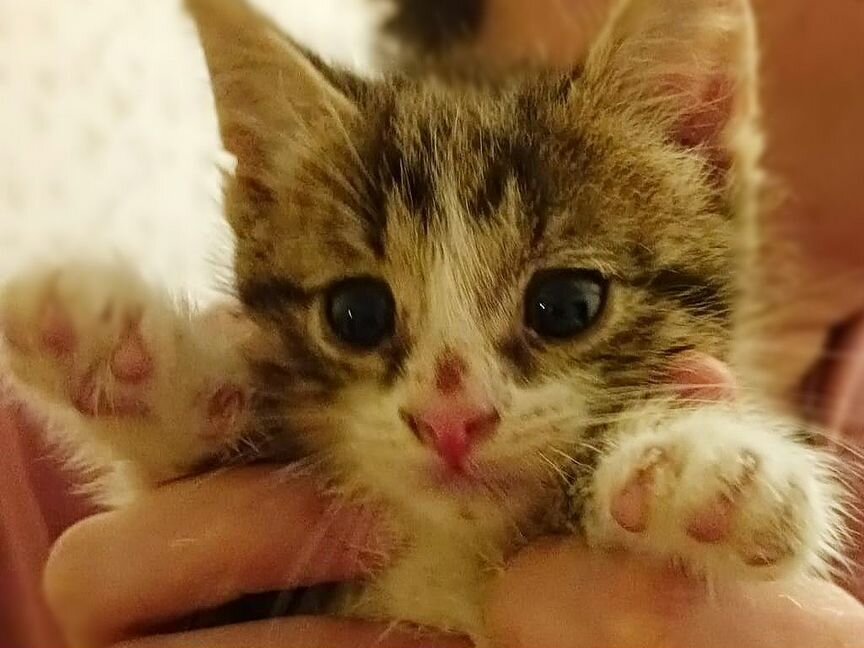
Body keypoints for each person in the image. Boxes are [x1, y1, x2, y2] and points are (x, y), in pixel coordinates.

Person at [2, 0, 863, 646]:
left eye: (563, 308)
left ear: (698, 143)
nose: (453, 415)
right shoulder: (27, 473)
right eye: (361, 316)